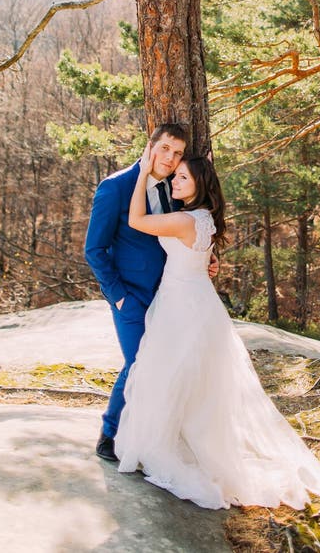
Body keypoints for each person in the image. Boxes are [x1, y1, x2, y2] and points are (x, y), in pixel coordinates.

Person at [114, 145, 320, 510]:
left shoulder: (184, 221)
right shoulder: (205, 217)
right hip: (197, 302)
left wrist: (143, 173)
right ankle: (189, 438)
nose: (176, 181)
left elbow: (136, 220)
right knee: (192, 379)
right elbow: (200, 253)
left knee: (171, 374)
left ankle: (172, 443)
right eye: (175, 175)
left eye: (183, 177)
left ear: (198, 185)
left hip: (182, 305)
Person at [84, 123, 219, 462]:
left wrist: (204, 258)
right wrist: (118, 297)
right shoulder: (115, 187)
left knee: (165, 365)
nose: (170, 159)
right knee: (138, 363)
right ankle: (110, 433)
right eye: (165, 149)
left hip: (169, 296)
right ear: (150, 146)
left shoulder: (176, 189)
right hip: (129, 296)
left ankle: (152, 433)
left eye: (177, 154)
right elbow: (94, 250)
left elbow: (183, 232)